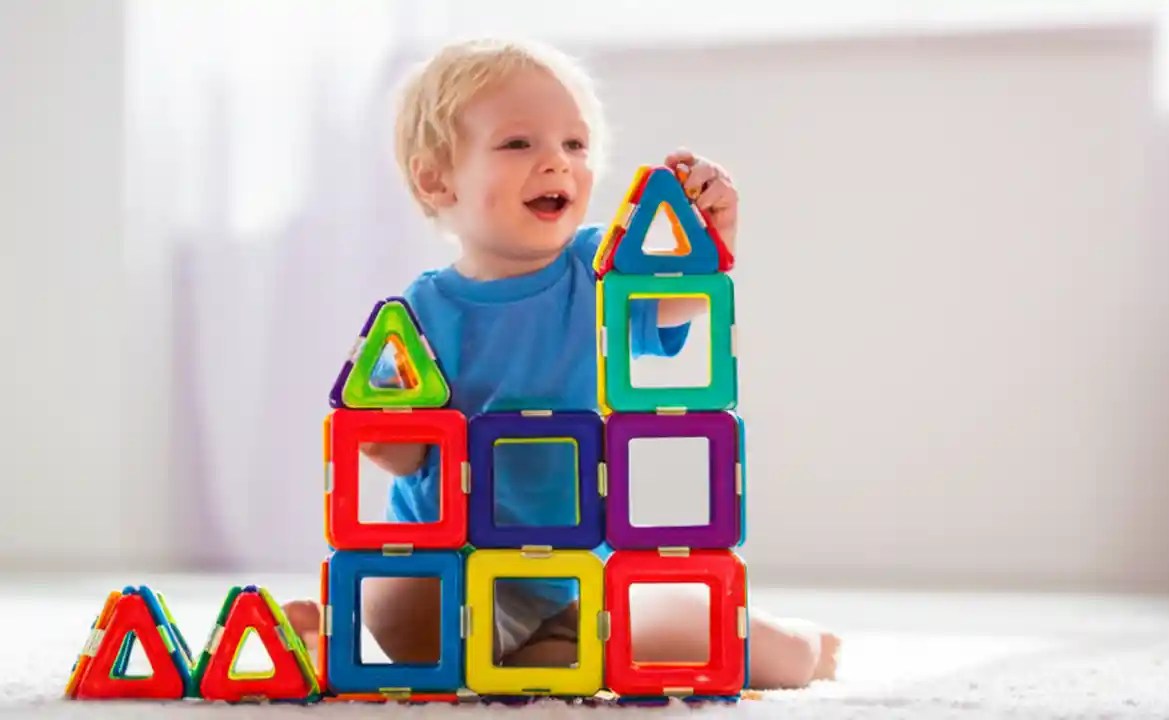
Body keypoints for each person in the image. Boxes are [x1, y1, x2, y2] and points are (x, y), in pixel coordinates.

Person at [283, 36, 838, 689]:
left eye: (574, 145)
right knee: (395, 607)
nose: (556, 162)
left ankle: (801, 643)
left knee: (762, 656)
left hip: (587, 575)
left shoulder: (601, 267)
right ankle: (347, 630)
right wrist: (386, 441)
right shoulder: (421, 311)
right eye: (519, 144)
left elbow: (678, 304)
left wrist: (713, 232)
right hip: (458, 571)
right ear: (437, 178)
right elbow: (409, 456)